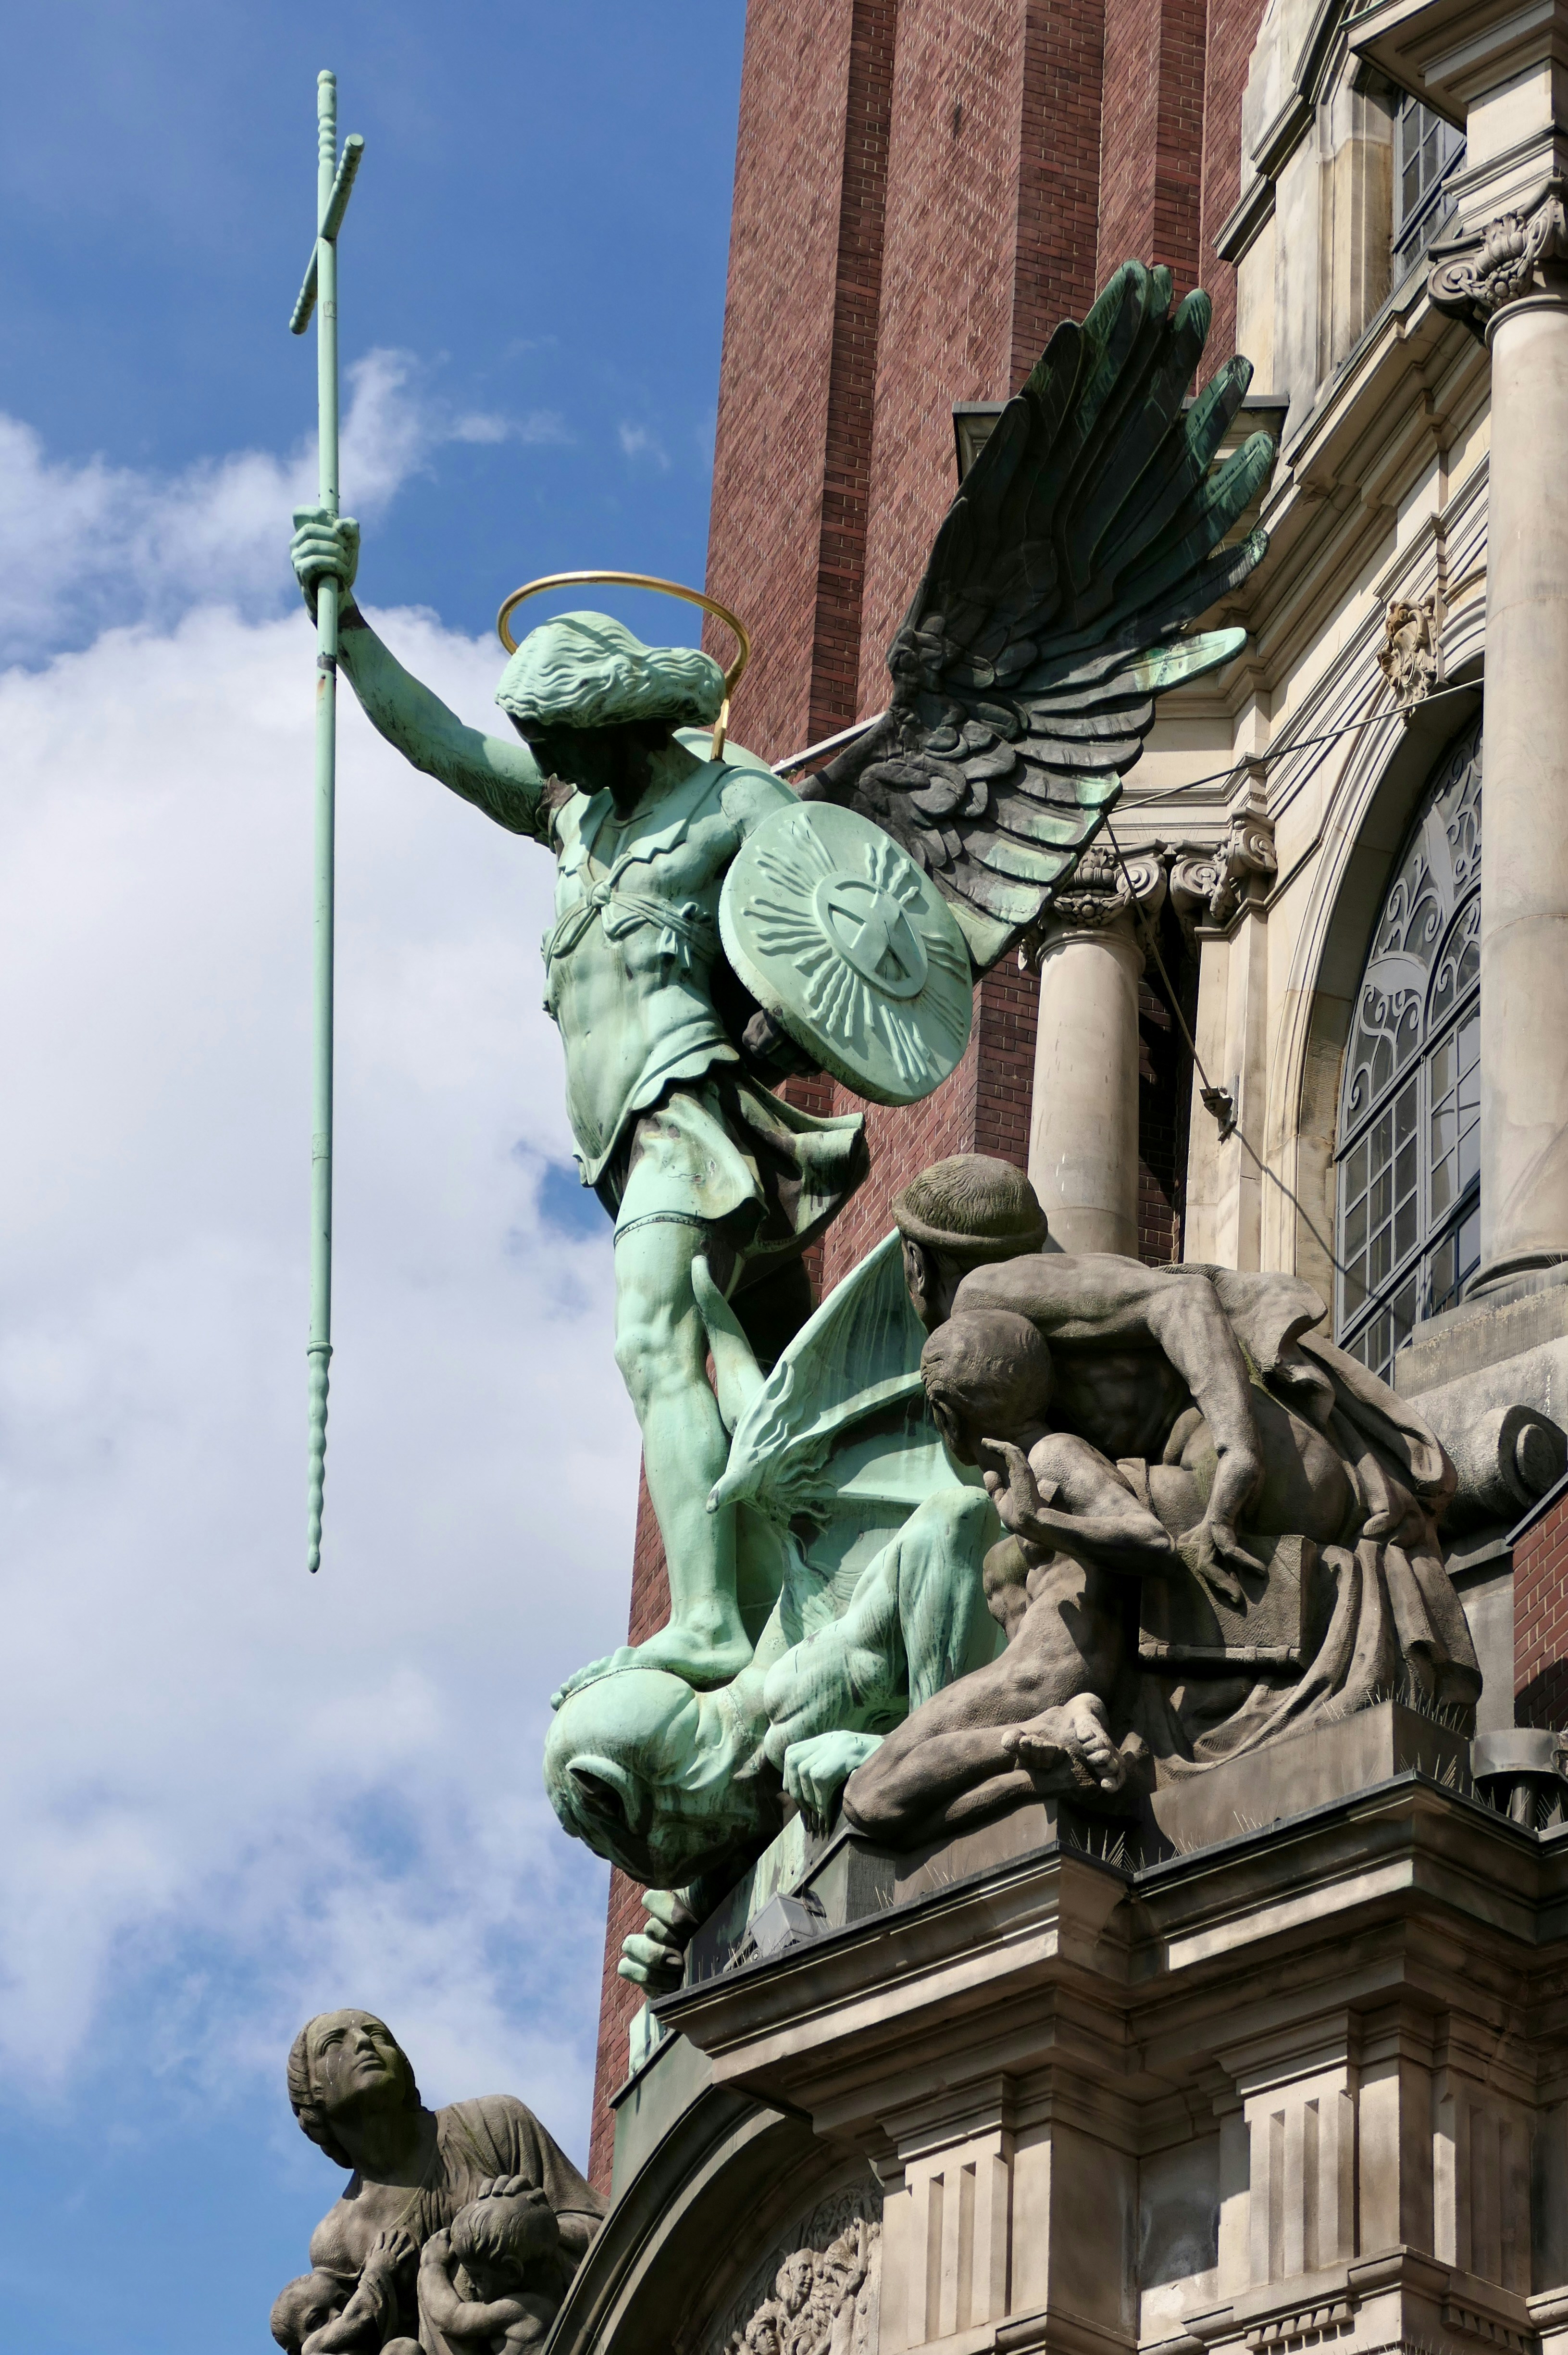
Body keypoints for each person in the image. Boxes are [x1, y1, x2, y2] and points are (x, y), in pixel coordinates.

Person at [289, 511, 867, 1692]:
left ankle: (707, 1617)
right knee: (719, 1352)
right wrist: (346, 625)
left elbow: (843, 934)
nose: (551, 756)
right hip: (621, 1149)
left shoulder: (733, 808)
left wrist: (774, 1021)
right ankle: (777, 1568)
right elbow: (441, 744)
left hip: (688, 1118)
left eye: (562, 733)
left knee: (651, 1334)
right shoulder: (573, 819)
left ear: (614, 720)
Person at [277, 2010, 604, 2353]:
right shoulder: (335, 2241)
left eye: (378, 2035)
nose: (363, 2042)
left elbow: (602, 2230)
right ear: (312, 2096)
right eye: (334, 2043)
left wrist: (525, 2223)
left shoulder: (494, 2122)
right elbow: (341, 2340)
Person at [417, 2179, 563, 2352]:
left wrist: (432, 2265)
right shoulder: (552, 2289)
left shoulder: (521, 2310)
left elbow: (453, 2318)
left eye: (478, 2278)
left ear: (512, 2272)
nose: (471, 2285)